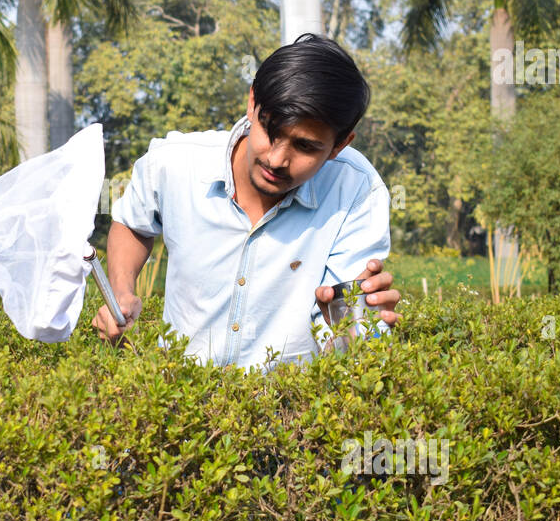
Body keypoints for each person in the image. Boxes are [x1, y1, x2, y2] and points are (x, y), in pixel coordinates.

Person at [92, 33, 401, 369]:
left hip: (290, 409)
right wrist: (121, 290)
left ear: (340, 145)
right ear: (253, 102)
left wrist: (347, 328)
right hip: (178, 393)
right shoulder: (174, 164)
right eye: (271, 131)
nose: (278, 159)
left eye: (305, 147)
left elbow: (350, 330)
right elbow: (132, 223)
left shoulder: (356, 190)